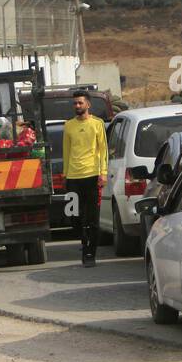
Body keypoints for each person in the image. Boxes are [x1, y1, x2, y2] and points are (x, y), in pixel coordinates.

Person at [62, 91, 107, 267]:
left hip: (92, 176)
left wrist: (103, 173)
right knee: (73, 215)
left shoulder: (97, 124)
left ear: (88, 104)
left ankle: (90, 253)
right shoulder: (68, 126)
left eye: (80, 103)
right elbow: (66, 151)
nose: (77, 106)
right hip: (73, 177)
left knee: (92, 218)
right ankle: (83, 240)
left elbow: (103, 150)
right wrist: (65, 175)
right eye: (75, 103)